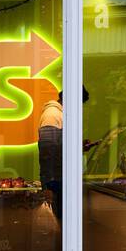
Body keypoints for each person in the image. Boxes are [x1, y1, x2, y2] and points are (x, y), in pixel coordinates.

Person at [38, 86, 87, 223]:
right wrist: (47, 185)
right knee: (58, 224)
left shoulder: (61, 114)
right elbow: (47, 152)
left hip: (61, 179)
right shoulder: (52, 115)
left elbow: (59, 146)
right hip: (56, 181)